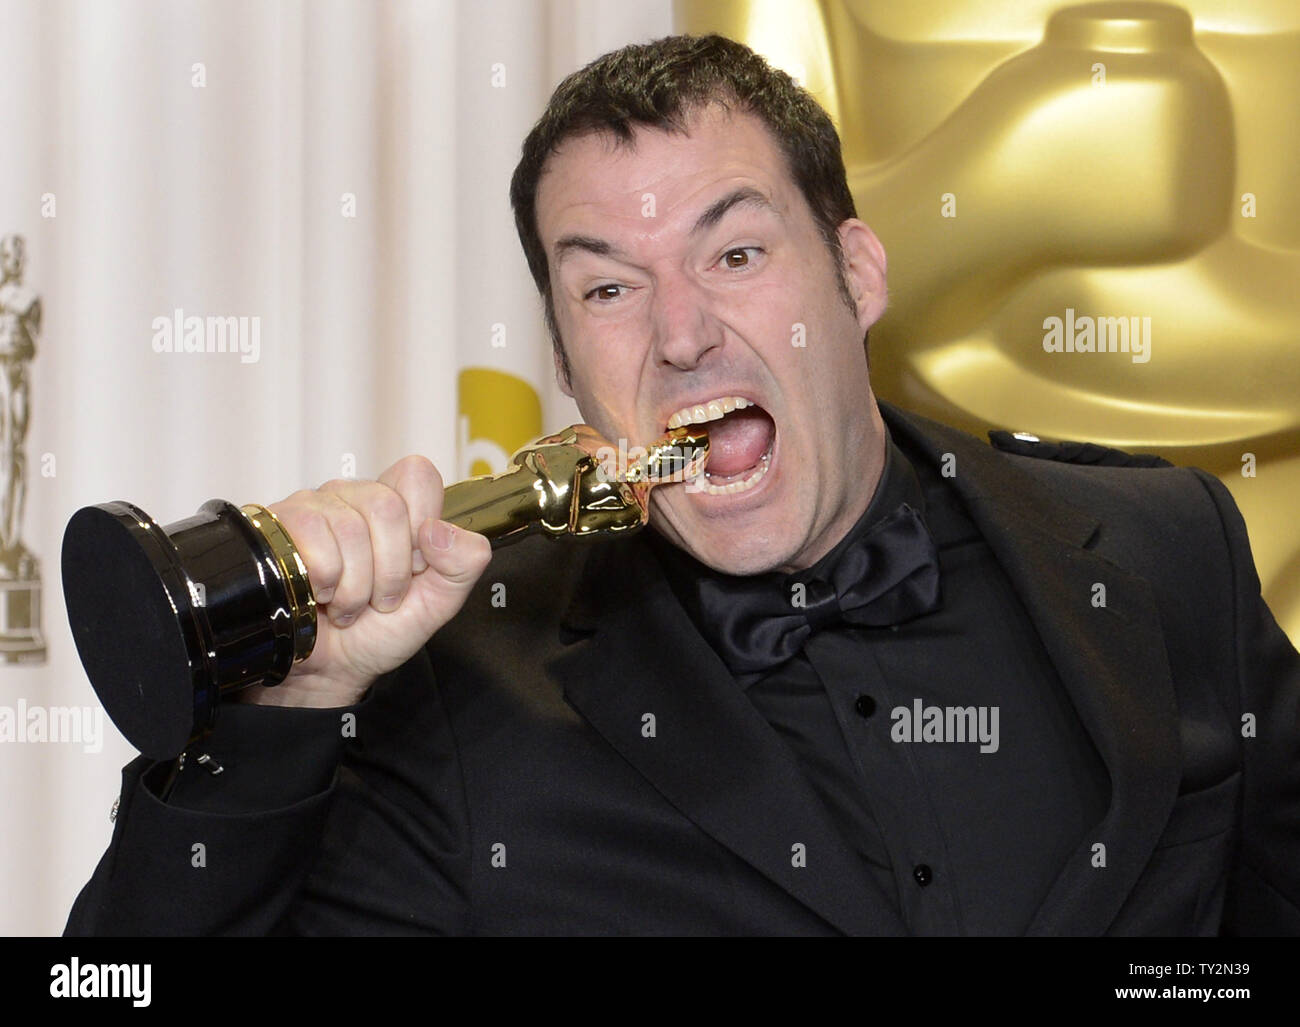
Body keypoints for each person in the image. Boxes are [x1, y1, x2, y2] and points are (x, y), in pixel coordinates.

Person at [66, 34, 1299, 936]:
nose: (681, 333)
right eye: (607, 286)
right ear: (565, 361)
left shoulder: (1161, 551)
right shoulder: (452, 694)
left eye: (737, 251)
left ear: (856, 274)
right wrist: (292, 714)